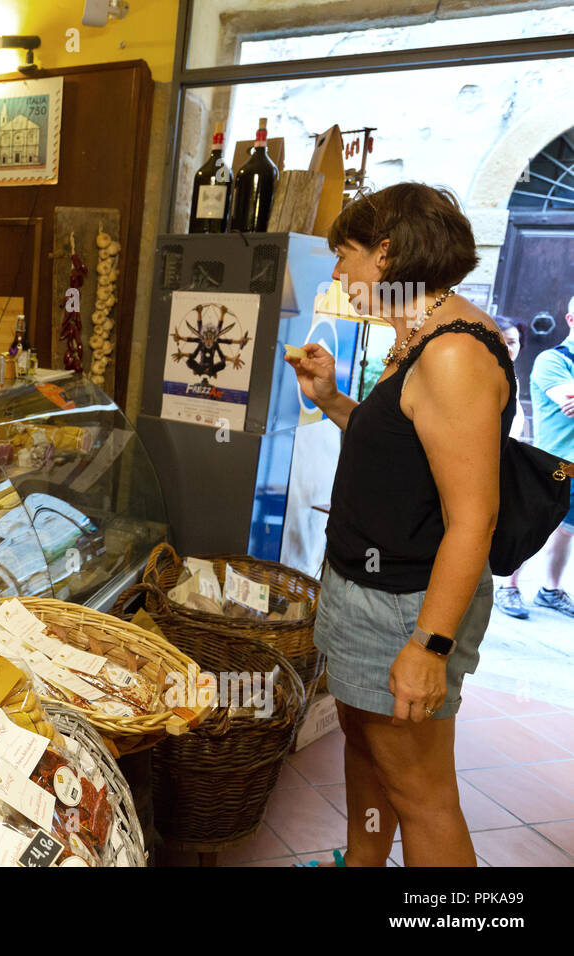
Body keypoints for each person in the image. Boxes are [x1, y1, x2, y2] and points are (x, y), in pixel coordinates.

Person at [287, 183, 514, 867]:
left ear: (385, 254)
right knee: (365, 748)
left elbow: (474, 519)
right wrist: (331, 399)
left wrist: (430, 647)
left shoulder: (453, 353)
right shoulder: (415, 336)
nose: (338, 275)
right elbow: (403, 452)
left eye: (345, 256)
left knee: (422, 794)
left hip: (405, 606)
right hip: (367, 593)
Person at [524, 295, 574, 617]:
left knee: (568, 530)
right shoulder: (552, 360)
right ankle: (509, 586)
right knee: (531, 526)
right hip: (554, 462)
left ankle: (550, 590)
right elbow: (568, 403)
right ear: (571, 321)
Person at [491, 316, 532, 618]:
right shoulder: (483, 374)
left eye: (514, 341)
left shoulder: (512, 376)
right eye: (502, 340)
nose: (509, 347)